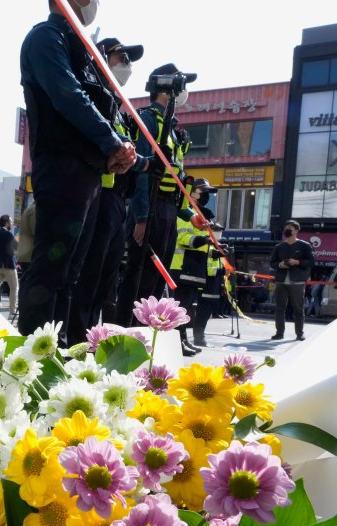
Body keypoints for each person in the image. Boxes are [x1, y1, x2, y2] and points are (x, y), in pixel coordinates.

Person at [17, 0, 144, 339]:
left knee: (71, 274)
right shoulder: (47, 37)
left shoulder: (81, 49)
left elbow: (94, 107)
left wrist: (112, 154)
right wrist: (112, 143)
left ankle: (55, 354)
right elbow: (69, 97)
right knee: (50, 270)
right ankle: (30, 361)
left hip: (87, 172)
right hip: (61, 168)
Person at [72, 36, 145, 339]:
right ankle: (77, 340)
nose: (126, 65)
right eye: (121, 57)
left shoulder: (119, 108)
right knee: (87, 275)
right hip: (96, 194)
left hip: (118, 200)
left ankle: (92, 340)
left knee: (106, 279)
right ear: (101, 56)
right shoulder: (92, 95)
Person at [115, 64, 194, 337]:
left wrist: (188, 215)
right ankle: (128, 335)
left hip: (168, 209)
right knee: (140, 277)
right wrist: (141, 216)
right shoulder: (148, 119)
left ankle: (148, 338)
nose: (185, 92)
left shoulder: (172, 128)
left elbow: (176, 178)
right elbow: (142, 173)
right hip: (152, 205)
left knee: (157, 278)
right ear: (165, 88)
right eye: (182, 84)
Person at [166, 177, 216, 355]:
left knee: (186, 309)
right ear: (192, 191)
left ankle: (183, 341)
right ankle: (177, 344)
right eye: (204, 191)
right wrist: (201, 240)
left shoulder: (199, 213)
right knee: (179, 308)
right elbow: (181, 236)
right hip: (182, 267)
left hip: (194, 268)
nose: (207, 195)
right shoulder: (185, 211)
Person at [269, 220, 314, 341]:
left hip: (297, 282)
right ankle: (279, 333)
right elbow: (272, 263)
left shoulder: (305, 246)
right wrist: (279, 265)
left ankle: (300, 334)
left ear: (296, 231)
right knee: (279, 308)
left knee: (298, 309)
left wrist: (297, 262)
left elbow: (311, 262)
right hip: (281, 281)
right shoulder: (279, 247)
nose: (286, 230)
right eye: (285, 227)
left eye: (290, 228)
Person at [191, 217, 226, 347]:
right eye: (216, 230)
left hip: (213, 287)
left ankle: (200, 338)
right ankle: (199, 339)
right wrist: (223, 271)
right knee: (202, 314)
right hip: (206, 287)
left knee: (206, 315)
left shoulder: (216, 245)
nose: (219, 233)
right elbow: (209, 270)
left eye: (220, 230)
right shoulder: (208, 245)